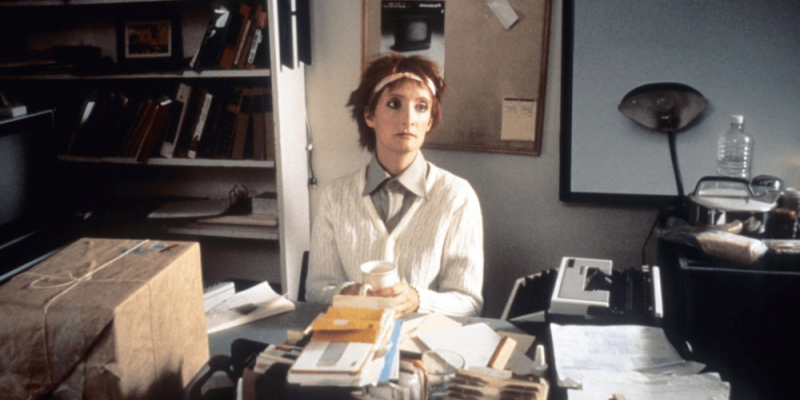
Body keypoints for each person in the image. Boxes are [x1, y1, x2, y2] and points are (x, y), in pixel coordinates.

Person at [305, 52, 484, 318]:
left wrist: (418, 299)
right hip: (354, 342)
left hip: (423, 348)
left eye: (421, 106)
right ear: (369, 116)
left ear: (430, 121)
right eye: (394, 104)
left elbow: (469, 302)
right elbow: (316, 290)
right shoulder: (335, 196)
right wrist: (344, 293)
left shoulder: (457, 197)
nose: (408, 118)